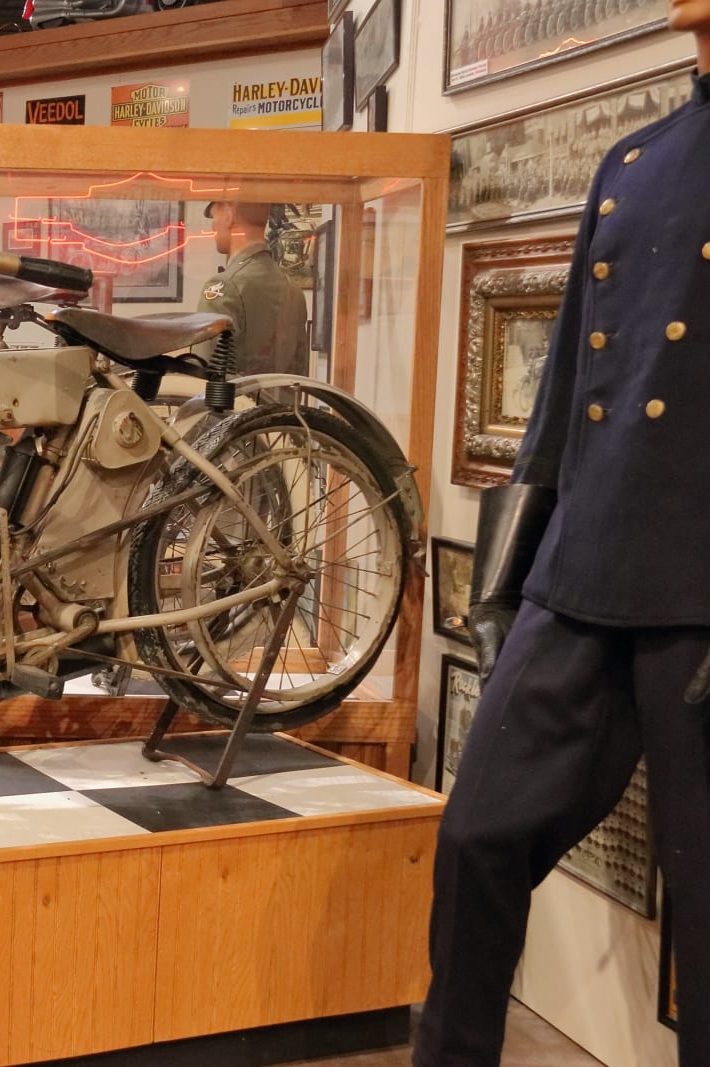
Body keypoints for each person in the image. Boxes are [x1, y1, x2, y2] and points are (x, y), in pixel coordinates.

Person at [416, 5, 710, 1065]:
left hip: (699, 593)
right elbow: (560, 406)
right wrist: (503, 582)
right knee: (476, 840)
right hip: (581, 574)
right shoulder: (633, 160)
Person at [195, 200, 309, 377]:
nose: (212, 226)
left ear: (228, 216)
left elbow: (204, 376)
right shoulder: (293, 290)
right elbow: (298, 374)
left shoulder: (225, 287)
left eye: (214, 216)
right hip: (282, 396)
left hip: (238, 396)